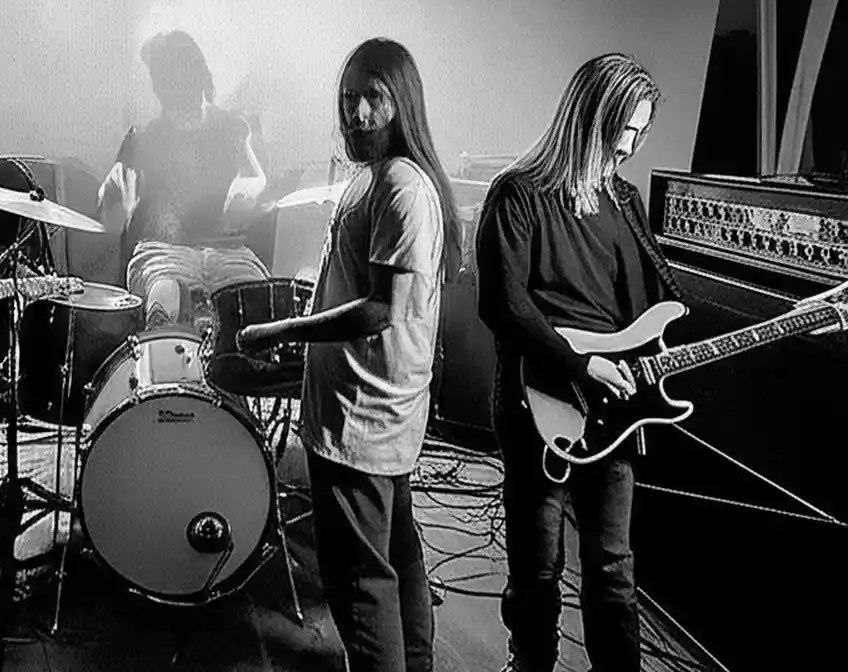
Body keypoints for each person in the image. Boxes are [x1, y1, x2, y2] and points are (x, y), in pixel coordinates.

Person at [238, 37, 461, 672]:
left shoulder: (402, 188)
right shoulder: (378, 179)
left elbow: (380, 310)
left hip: (364, 420)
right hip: (364, 414)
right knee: (395, 556)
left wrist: (282, 330)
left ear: (403, 103)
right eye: (349, 99)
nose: (358, 113)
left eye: (374, 98)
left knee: (360, 585)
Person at [475, 53, 684, 672]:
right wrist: (578, 364)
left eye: (641, 132)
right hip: (540, 399)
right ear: (591, 117)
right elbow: (504, 305)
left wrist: (655, 353)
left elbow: (651, 304)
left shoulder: (624, 199)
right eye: (626, 130)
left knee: (613, 568)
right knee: (539, 572)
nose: (633, 146)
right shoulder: (519, 194)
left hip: (614, 410)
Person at [96, 29, 272, 331]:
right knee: (166, 296)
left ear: (200, 75)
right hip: (162, 252)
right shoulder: (142, 138)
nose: (173, 87)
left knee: (255, 307)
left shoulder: (234, 128)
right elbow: (109, 212)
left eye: (182, 74)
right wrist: (111, 199)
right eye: (166, 79)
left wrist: (252, 190)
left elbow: (259, 178)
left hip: (229, 252)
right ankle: (162, 361)